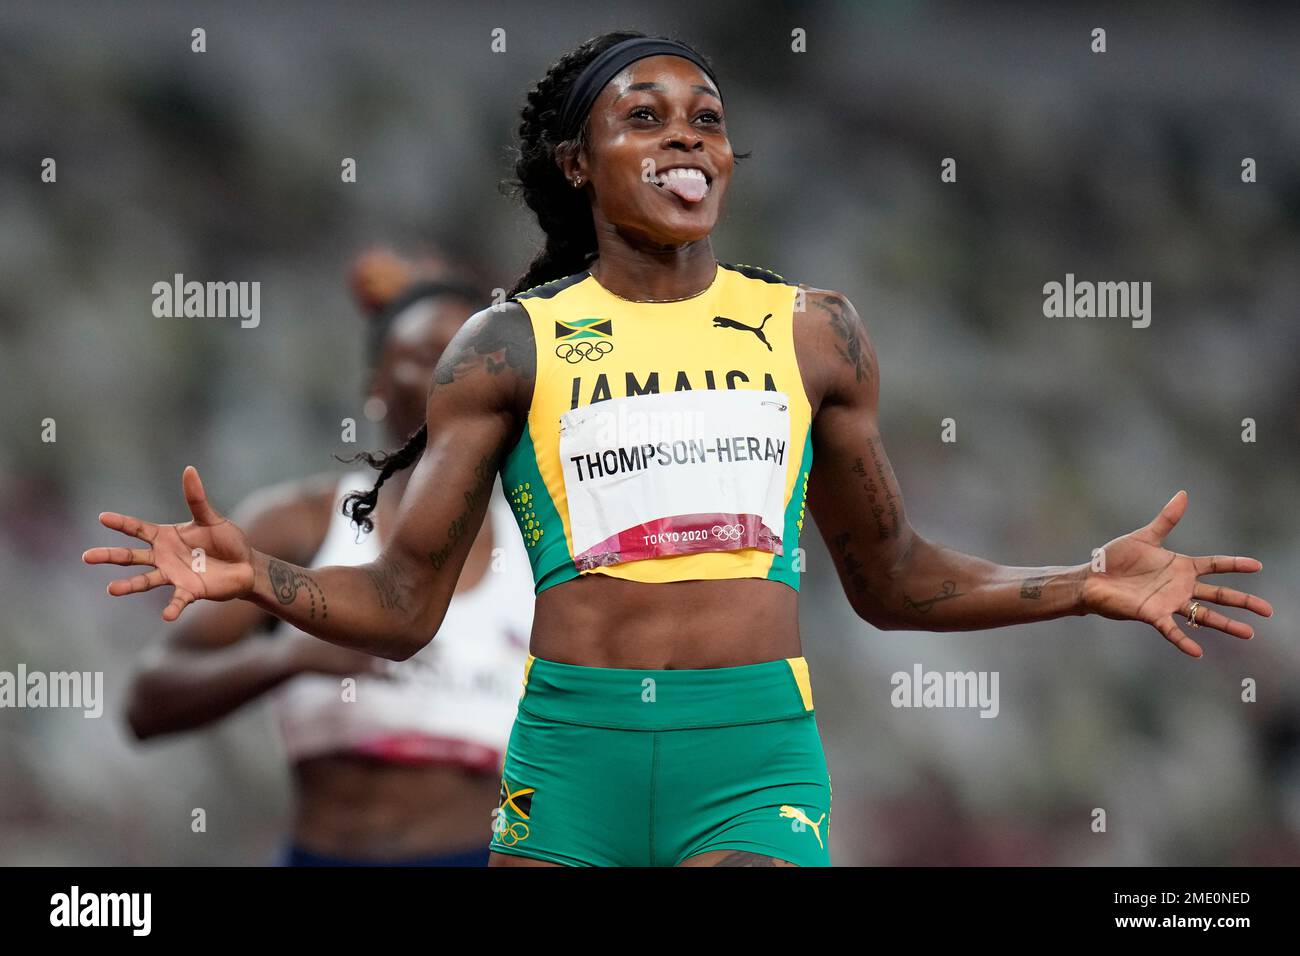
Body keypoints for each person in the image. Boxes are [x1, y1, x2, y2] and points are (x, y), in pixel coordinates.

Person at [86, 32, 1274, 867]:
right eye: (643, 117)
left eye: (709, 119)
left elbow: (894, 577)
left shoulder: (814, 330)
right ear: (576, 164)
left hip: (749, 751)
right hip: (570, 754)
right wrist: (265, 580)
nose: (687, 137)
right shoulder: (510, 344)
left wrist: (1079, 583)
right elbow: (403, 602)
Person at [122, 250, 533, 866]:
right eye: (428, 360)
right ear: (375, 384)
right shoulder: (299, 525)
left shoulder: (538, 547)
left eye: (477, 364)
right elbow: (146, 704)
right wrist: (289, 655)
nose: (456, 383)